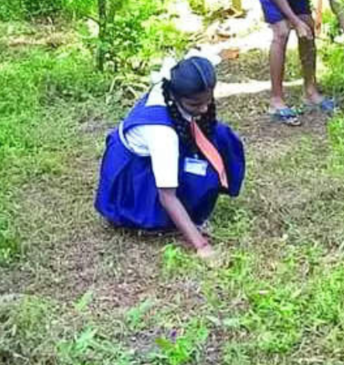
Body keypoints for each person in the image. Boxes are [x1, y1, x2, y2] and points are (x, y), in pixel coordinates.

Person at [95, 55, 246, 258]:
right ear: (175, 97)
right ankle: (155, 217)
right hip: (135, 176)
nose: (203, 109)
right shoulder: (162, 134)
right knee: (197, 174)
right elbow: (167, 196)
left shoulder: (174, 81)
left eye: (208, 101)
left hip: (163, 146)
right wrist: (202, 246)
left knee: (221, 136)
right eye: (195, 105)